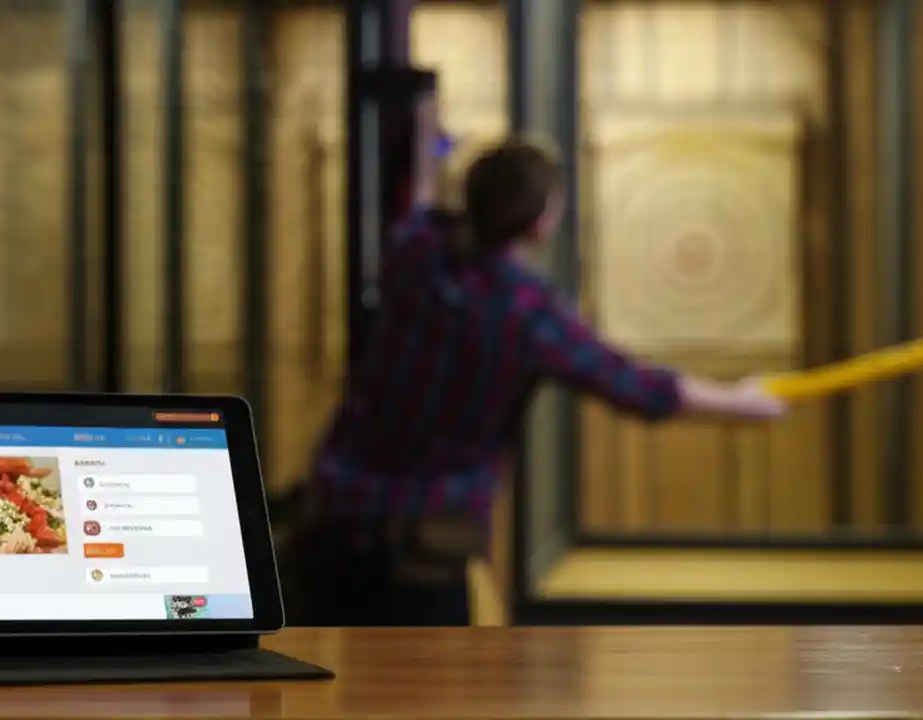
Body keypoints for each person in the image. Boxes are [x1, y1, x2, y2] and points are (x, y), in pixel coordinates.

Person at [288, 123, 786, 627]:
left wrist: (427, 137)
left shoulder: (416, 250)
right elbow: (633, 385)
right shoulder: (525, 313)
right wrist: (740, 401)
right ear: (541, 222)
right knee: (423, 698)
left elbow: (416, 201)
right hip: (422, 551)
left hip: (331, 523)